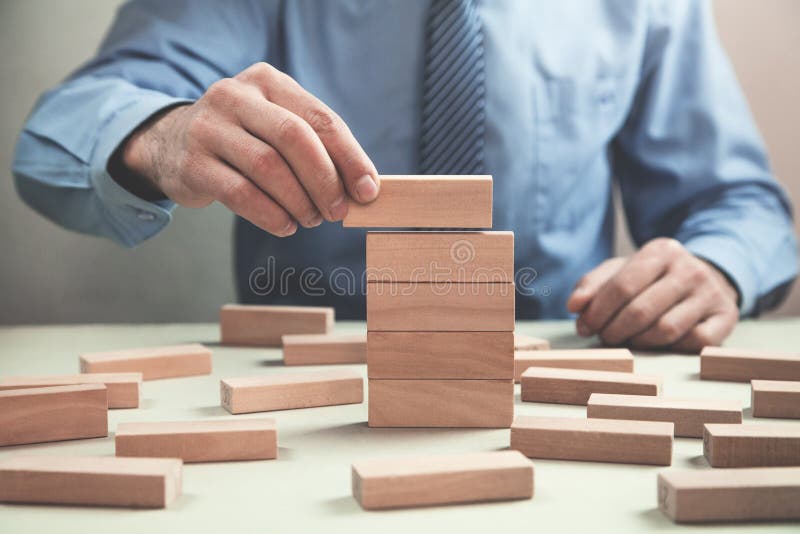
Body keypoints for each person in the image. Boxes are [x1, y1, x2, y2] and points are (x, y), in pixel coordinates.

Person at [13, 0, 797, 351]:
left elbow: (740, 205)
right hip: (306, 391)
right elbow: (59, 136)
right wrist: (165, 136)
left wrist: (719, 267)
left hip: (556, 379)